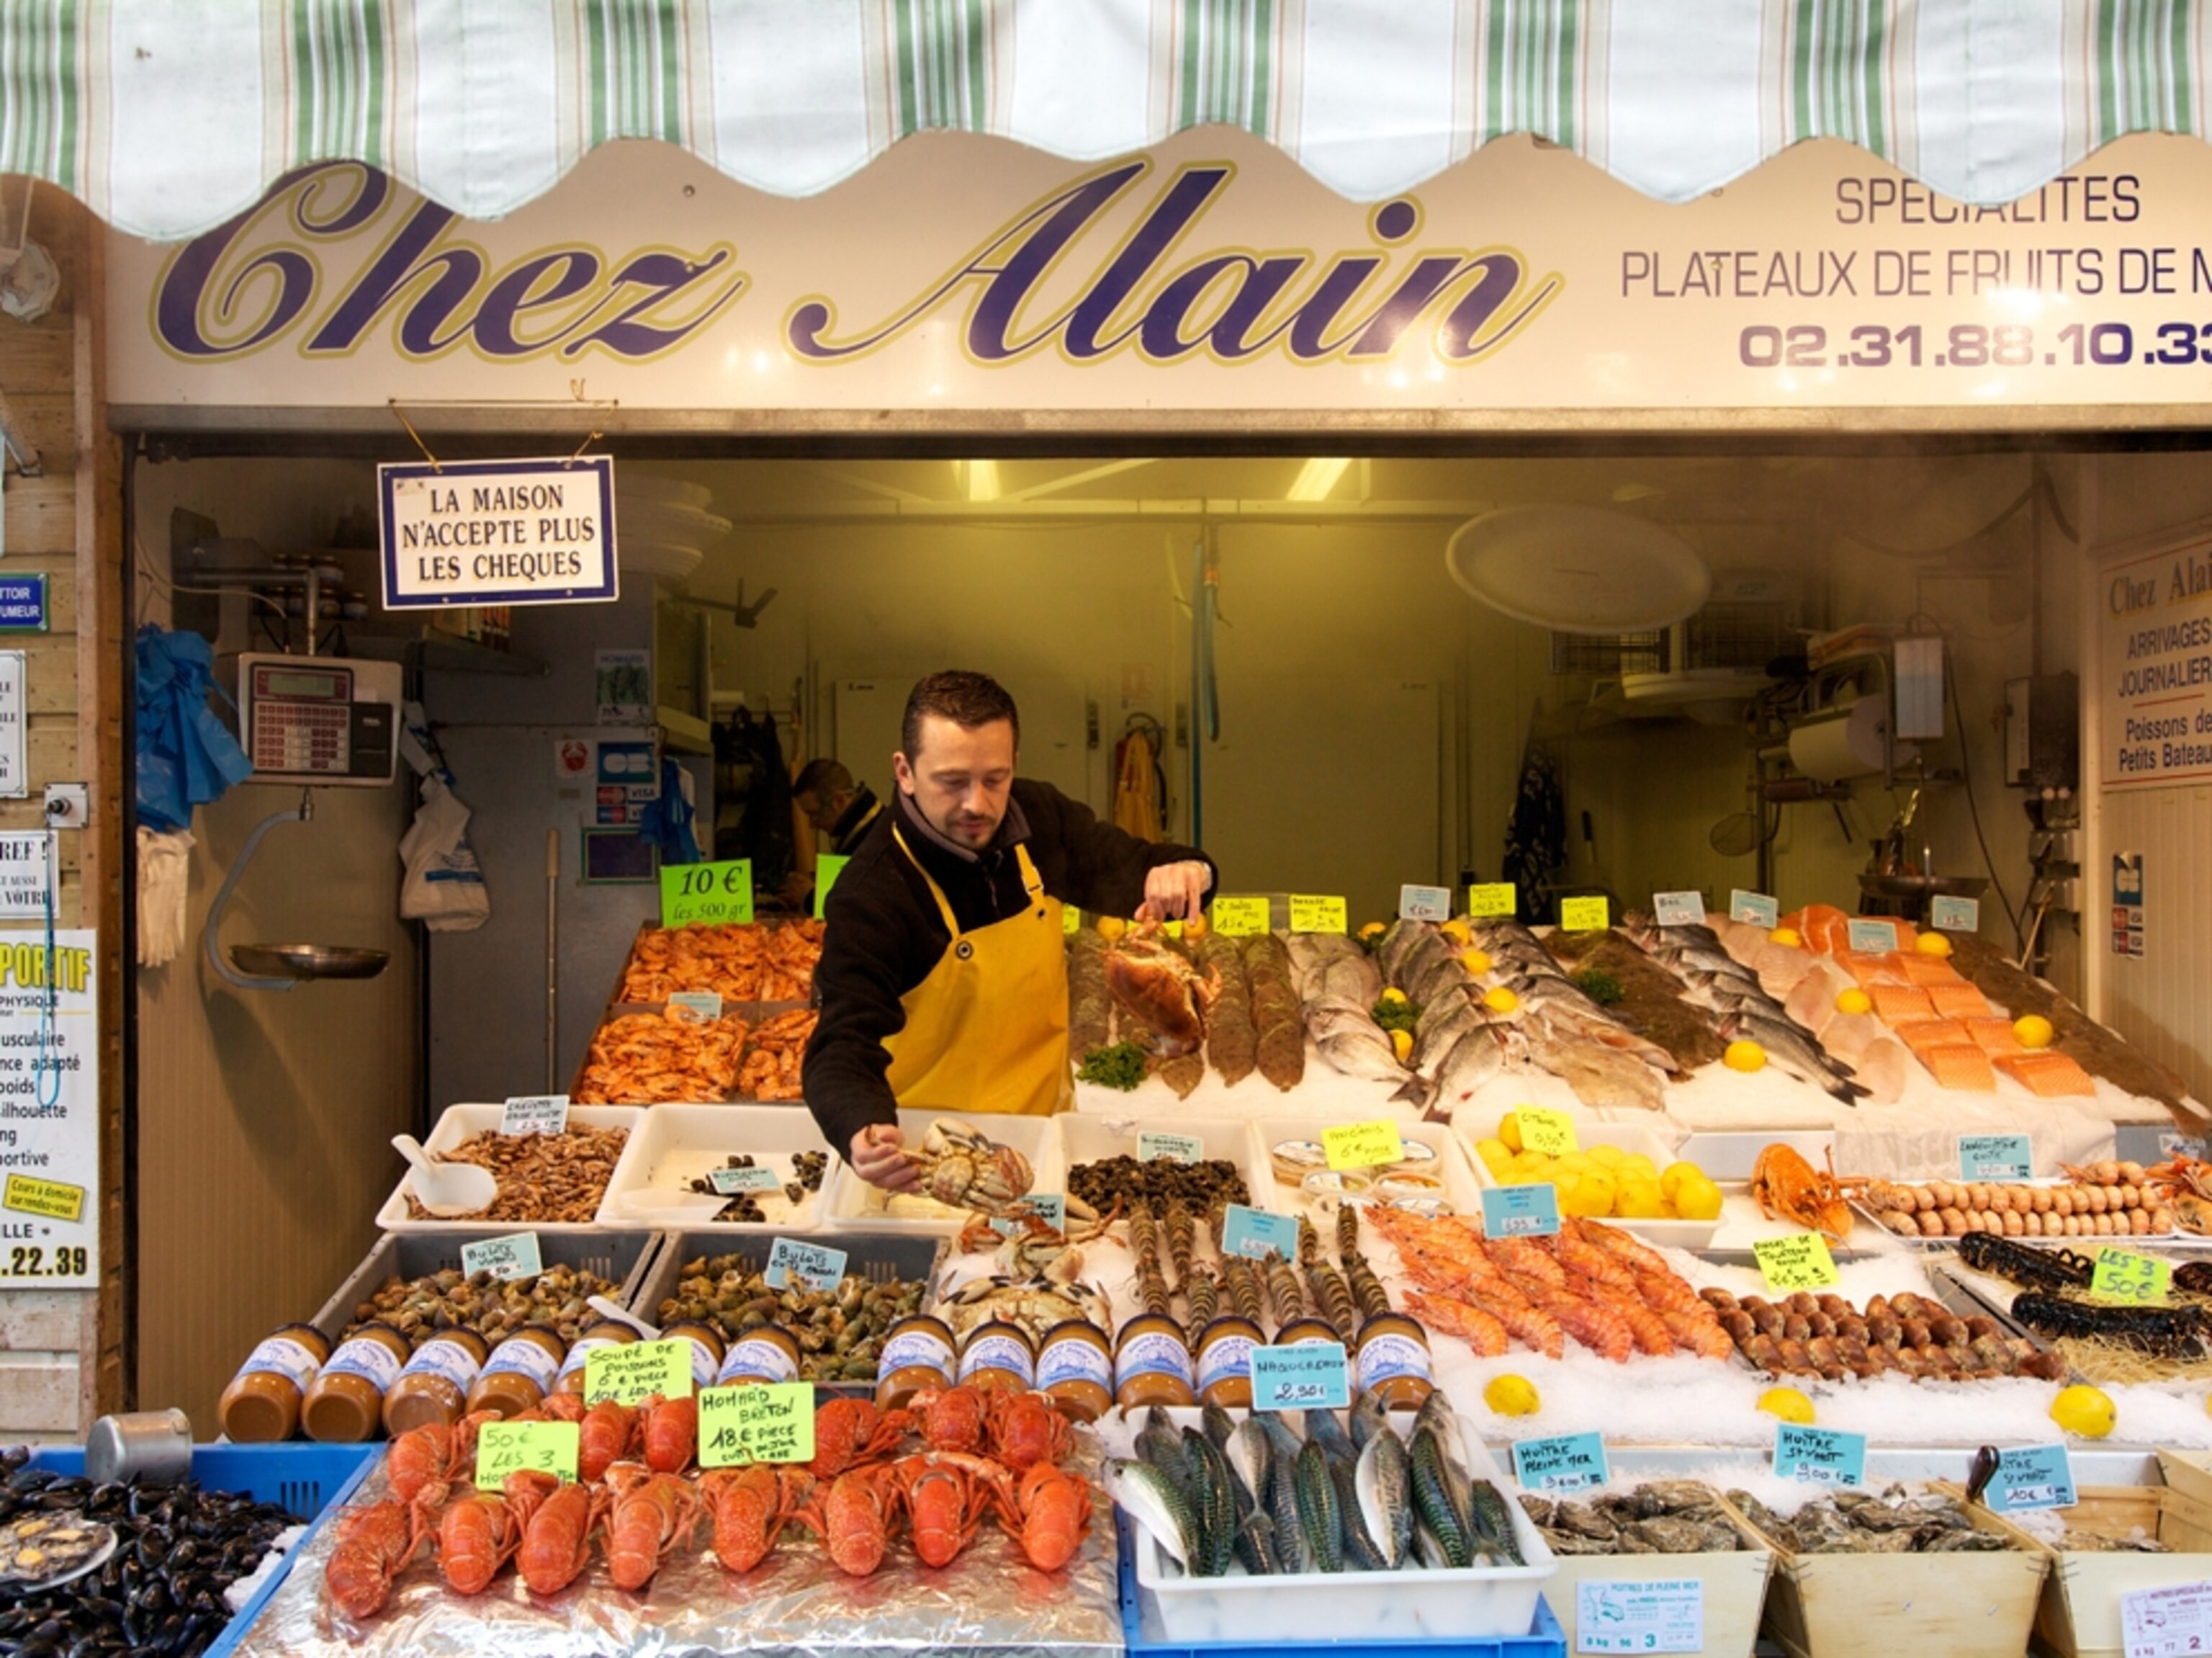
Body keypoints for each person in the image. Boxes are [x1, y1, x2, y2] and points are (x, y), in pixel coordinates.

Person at [803, 671, 1215, 1193]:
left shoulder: (1039, 818)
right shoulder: (872, 893)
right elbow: (841, 1043)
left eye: (994, 779)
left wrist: (1188, 872)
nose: (977, 804)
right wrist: (860, 1127)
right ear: (905, 772)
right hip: (932, 1163)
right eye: (952, 782)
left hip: (1044, 1136)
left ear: (1014, 763)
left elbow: (1136, 868)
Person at [778, 758, 882, 910]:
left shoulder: (873, 839)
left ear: (839, 801)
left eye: (815, 814)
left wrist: (810, 898)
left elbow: (859, 909)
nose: (812, 825)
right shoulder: (866, 828)